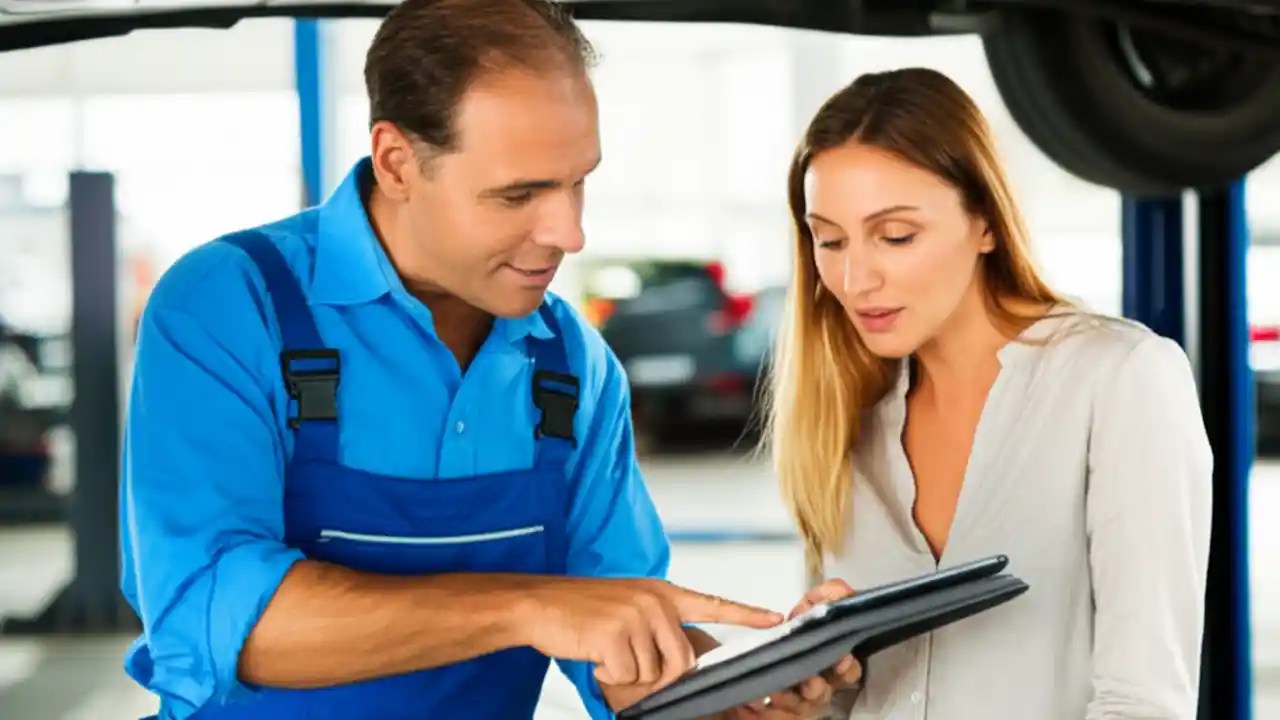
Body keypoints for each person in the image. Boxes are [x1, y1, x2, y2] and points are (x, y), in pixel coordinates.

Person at [118, 1, 861, 719]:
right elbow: (209, 618)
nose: (570, 232)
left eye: (578, 181)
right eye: (519, 195)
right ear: (398, 162)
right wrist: (530, 608)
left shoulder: (571, 368)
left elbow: (615, 635)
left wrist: (733, 683)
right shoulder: (232, 307)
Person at [764, 67, 1213, 718]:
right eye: (829, 240)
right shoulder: (844, 413)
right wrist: (818, 685)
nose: (854, 277)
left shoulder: (1121, 378)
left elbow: (1144, 701)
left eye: (896, 236)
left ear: (986, 223)